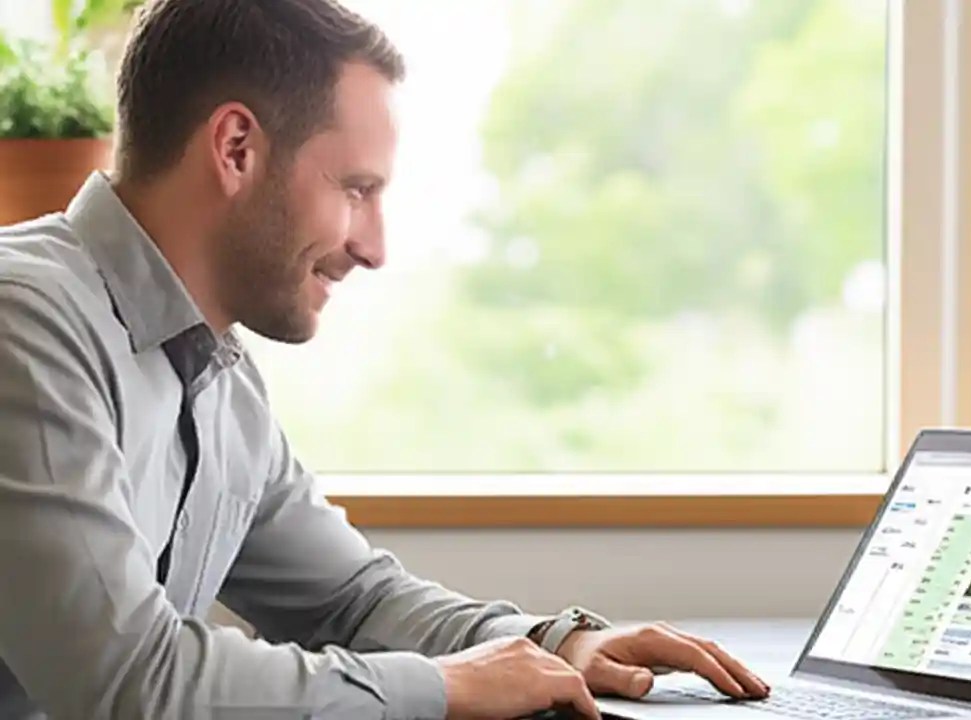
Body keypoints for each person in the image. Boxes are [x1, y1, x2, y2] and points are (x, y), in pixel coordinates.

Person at [0, 1, 771, 718]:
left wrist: (556, 645)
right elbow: (125, 680)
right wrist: (446, 687)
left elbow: (354, 601)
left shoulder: (220, 385)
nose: (374, 247)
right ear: (236, 149)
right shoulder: (25, 321)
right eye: (356, 189)